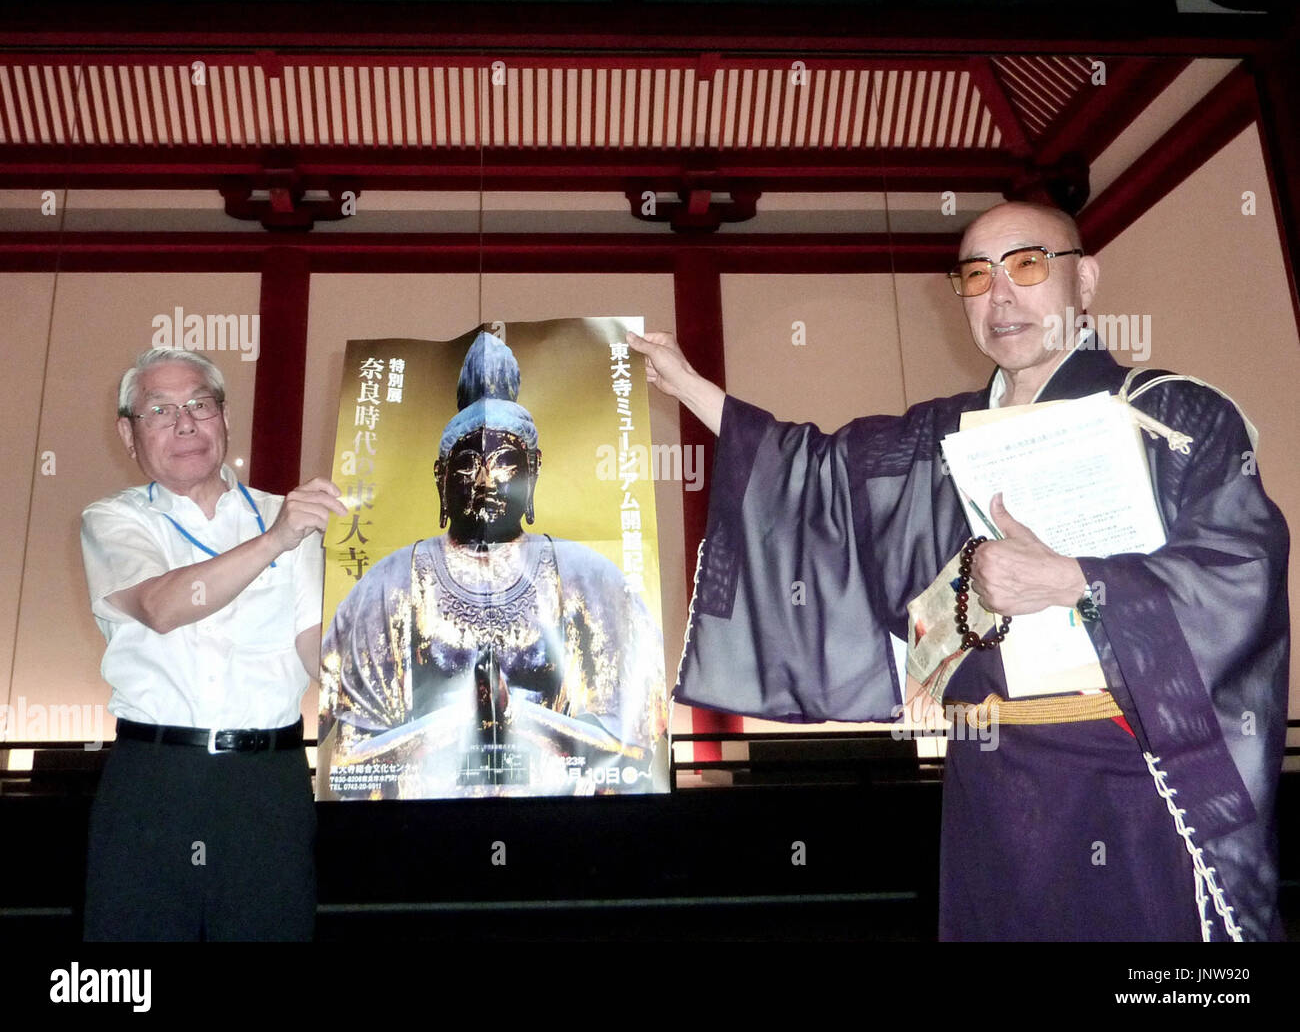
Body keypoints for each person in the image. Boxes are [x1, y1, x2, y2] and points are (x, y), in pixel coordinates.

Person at [627, 200, 1290, 942]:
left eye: (1027, 265)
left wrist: (1078, 580)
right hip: (991, 784)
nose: (1000, 295)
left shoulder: (1173, 414)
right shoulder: (940, 439)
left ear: (1086, 280)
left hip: (1131, 778)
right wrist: (689, 387)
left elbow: (1241, 569)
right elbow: (817, 474)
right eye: (976, 276)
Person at [320, 332, 668, 799]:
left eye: (505, 462)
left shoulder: (589, 578)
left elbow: (637, 751)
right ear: (441, 480)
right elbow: (346, 762)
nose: (484, 480)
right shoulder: (390, 585)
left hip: (558, 821)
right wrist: (454, 722)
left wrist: (520, 718)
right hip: (426, 822)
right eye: (467, 464)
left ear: (532, 473)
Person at [80, 347, 347, 941]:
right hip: (154, 779)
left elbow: (316, 652)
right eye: (159, 410)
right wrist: (274, 542)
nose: (185, 423)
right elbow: (161, 607)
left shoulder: (291, 517)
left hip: (267, 782)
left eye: (200, 404)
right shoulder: (114, 520)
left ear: (225, 419)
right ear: (129, 433)